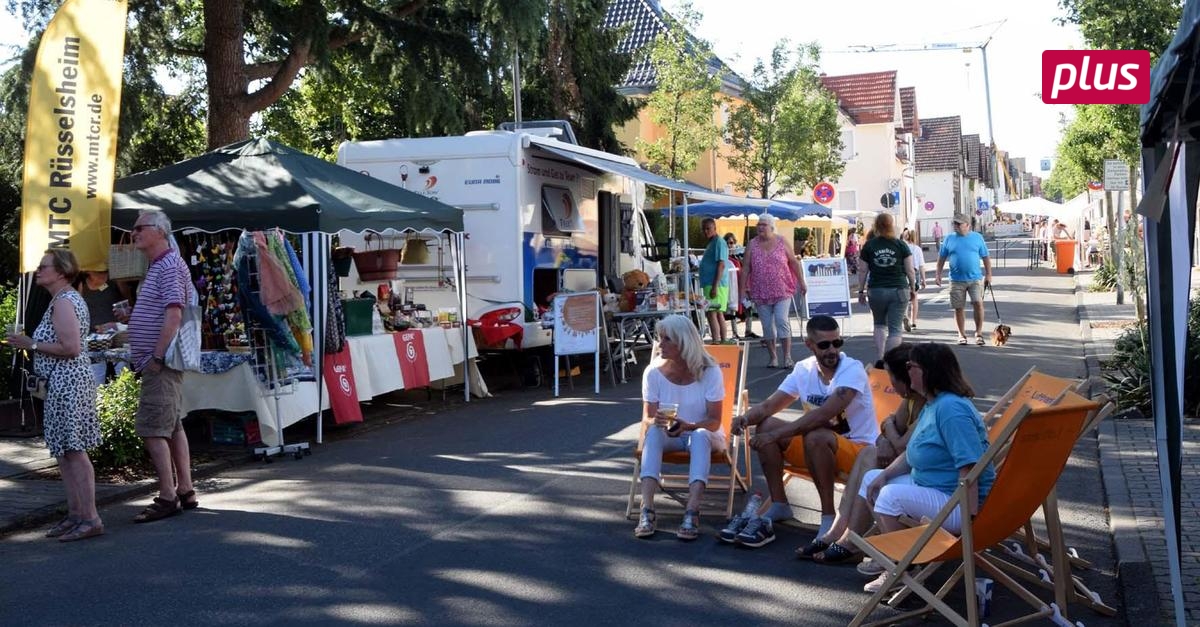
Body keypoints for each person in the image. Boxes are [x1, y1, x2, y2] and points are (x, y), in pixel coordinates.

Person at [724, 315, 878, 548]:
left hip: (858, 452)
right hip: (818, 447)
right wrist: (744, 418)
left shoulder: (852, 369)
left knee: (813, 435)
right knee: (766, 424)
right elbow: (768, 406)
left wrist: (775, 435)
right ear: (809, 345)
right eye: (824, 345)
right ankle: (779, 503)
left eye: (837, 343)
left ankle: (828, 517)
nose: (832, 350)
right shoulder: (803, 369)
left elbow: (822, 415)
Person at [858, 342, 996, 593]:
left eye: (911, 366)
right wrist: (885, 475)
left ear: (929, 372)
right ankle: (901, 557)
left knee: (889, 497)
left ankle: (901, 567)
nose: (906, 370)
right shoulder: (934, 403)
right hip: (936, 489)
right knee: (872, 480)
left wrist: (971, 519)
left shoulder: (951, 410)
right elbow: (911, 454)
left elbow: (970, 466)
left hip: (958, 502)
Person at [798, 344, 925, 568]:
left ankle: (850, 539)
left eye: (892, 377)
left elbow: (901, 441)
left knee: (870, 457)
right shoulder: (912, 399)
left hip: (924, 475)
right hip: (910, 464)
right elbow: (886, 431)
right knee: (870, 452)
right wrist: (887, 437)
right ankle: (841, 531)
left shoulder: (929, 404)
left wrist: (888, 433)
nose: (890, 383)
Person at [6, 249, 104, 542]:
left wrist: (31, 344)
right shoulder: (63, 299)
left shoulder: (63, 302)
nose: (38, 270)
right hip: (64, 382)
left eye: (44, 266)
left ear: (61, 271)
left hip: (68, 382)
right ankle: (76, 515)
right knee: (65, 452)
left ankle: (90, 517)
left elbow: (71, 347)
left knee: (73, 451)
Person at [120, 210, 199, 522]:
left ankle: (167, 496)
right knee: (172, 424)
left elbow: (175, 314)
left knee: (153, 429)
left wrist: (156, 356)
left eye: (140, 227)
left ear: (160, 232)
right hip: (159, 361)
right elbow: (166, 310)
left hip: (160, 363)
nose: (134, 232)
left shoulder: (167, 265)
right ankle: (185, 491)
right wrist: (134, 318)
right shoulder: (160, 265)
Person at [634, 315, 726, 541]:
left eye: (667, 339)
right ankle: (647, 509)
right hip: (670, 434)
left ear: (684, 342)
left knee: (701, 435)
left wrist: (691, 425)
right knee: (653, 432)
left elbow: (715, 420)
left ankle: (692, 510)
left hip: (706, 435)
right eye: (660, 338)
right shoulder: (654, 372)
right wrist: (658, 422)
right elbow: (647, 417)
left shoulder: (710, 371)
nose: (660, 344)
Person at [739, 214, 805, 368]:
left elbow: (793, 262)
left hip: (782, 289)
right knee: (767, 325)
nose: (760, 227)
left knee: (782, 321)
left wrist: (802, 282)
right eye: (758, 225)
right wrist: (742, 289)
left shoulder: (781, 241)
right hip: (760, 291)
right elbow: (746, 267)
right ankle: (773, 357)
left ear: (771, 227)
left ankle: (787, 356)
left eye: (763, 225)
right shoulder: (752, 244)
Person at [857, 213, 917, 365]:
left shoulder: (869, 246)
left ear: (876, 226)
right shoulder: (900, 244)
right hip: (898, 289)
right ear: (891, 226)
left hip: (876, 290)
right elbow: (910, 269)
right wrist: (912, 287)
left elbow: (862, 270)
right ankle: (890, 362)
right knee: (895, 329)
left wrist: (861, 291)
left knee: (878, 324)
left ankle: (880, 358)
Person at [935, 215, 992, 346]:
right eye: (955, 223)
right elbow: (941, 258)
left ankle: (978, 333)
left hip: (975, 278)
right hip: (956, 279)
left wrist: (989, 274)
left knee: (978, 303)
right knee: (958, 307)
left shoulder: (977, 237)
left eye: (959, 224)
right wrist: (938, 274)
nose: (956, 226)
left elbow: (985, 257)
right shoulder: (949, 238)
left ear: (967, 225)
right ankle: (961, 334)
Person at [76, 269, 127, 384]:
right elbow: (79, 311)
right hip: (94, 340)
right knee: (97, 382)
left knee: (123, 377)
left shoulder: (115, 278)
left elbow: (128, 303)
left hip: (117, 337)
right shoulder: (82, 284)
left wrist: (121, 323)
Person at [699, 218, 729, 343]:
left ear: (714, 228)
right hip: (711, 284)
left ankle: (717, 340)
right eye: (704, 229)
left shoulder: (719, 242)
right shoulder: (712, 242)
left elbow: (721, 264)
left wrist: (715, 286)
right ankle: (722, 340)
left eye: (708, 228)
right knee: (716, 312)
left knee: (712, 312)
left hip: (715, 284)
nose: (706, 231)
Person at [723, 233, 753, 340]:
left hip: (742, 286)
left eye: (731, 243)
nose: (730, 245)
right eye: (727, 243)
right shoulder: (725, 258)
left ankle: (748, 330)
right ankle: (735, 333)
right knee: (733, 309)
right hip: (733, 287)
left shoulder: (739, 256)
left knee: (748, 307)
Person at [901, 230, 925, 332]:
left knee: (904, 298)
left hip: (903, 273)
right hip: (915, 273)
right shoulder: (917, 249)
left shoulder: (901, 248)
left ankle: (905, 316)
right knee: (914, 298)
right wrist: (924, 279)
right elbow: (921, 265)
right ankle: (913, 322)